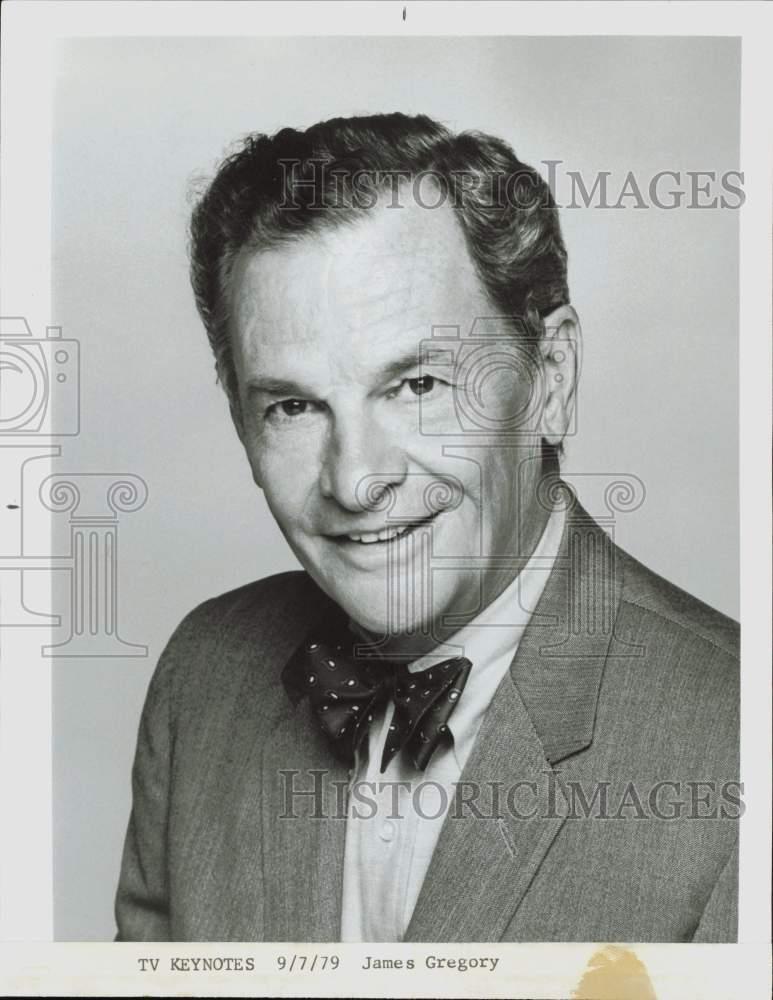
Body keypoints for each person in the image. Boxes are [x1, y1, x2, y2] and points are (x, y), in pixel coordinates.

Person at [114, 113, 739, 942]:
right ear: (240, 422)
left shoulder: (736, 741)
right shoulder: (206, 676)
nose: (356, 479)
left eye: (415, 386)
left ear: (549, 378)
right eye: (295, 406)